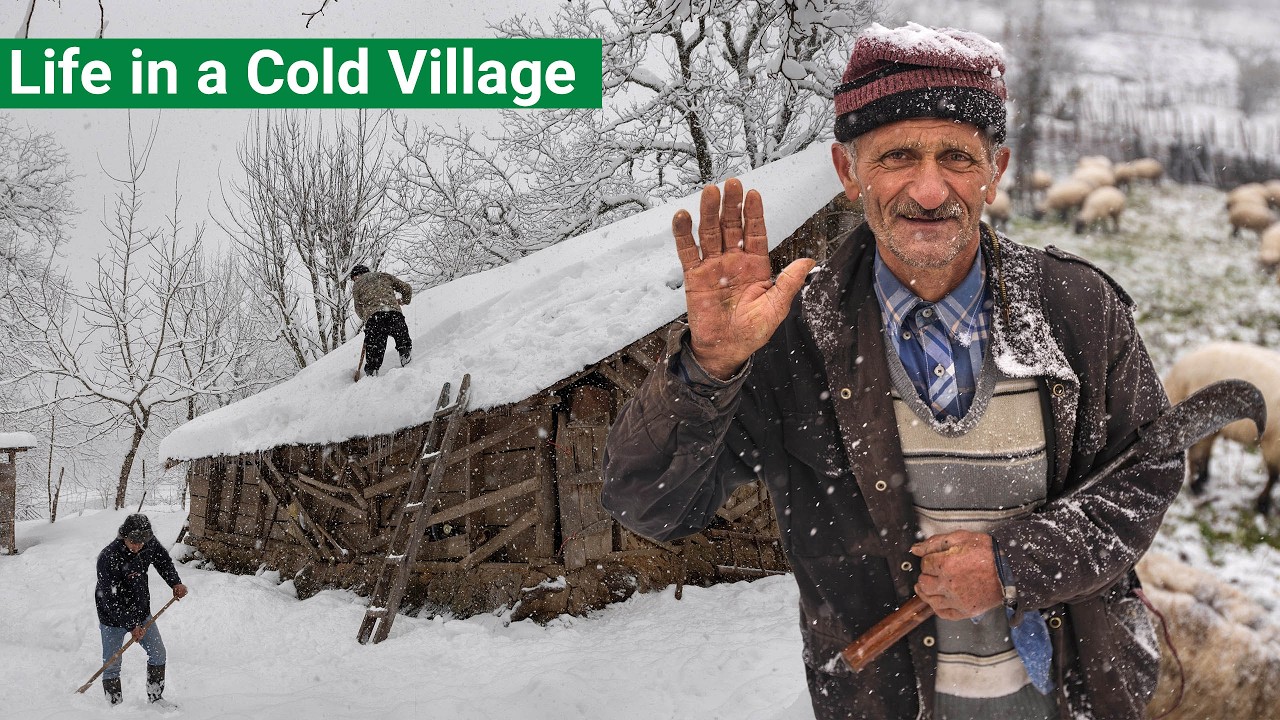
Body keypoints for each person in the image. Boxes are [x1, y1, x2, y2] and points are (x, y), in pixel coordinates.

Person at [600, 22, 1181, 720]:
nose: (929, 191)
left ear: (995, 170)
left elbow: (1147, 473)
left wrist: (1013, 563)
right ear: (849, 173)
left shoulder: (1075, 308)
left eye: (957, 157)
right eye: (897, 156)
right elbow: (649, 504)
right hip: (881, 699)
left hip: (1069, 688)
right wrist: (710, 368)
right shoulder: (793, 336)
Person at [95, 513, 188, 706]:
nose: (138, 547)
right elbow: (110, 599)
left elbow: (163, 561)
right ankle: (114, 707)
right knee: (112, 665)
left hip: (141, 612)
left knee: (158, 653)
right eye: (133, 543)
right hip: (112, 618)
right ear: (124, 536)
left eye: (141, 543)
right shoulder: (108, 557)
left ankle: (156, 698)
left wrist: (175, 582)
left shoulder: (148, 543)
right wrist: (131, 625)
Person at [350, 264, 414, 377]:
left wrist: (367, 318)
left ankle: (371, 374)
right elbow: (406, 288)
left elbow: (358, 308)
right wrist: (404, 300)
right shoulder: (383, 275)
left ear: (357, 275)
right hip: (394, 314)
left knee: (374, 352)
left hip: (375, 319)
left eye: (353, 278)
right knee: (403, 342)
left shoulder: (357, 284)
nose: (354, 281)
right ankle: (407, 361)